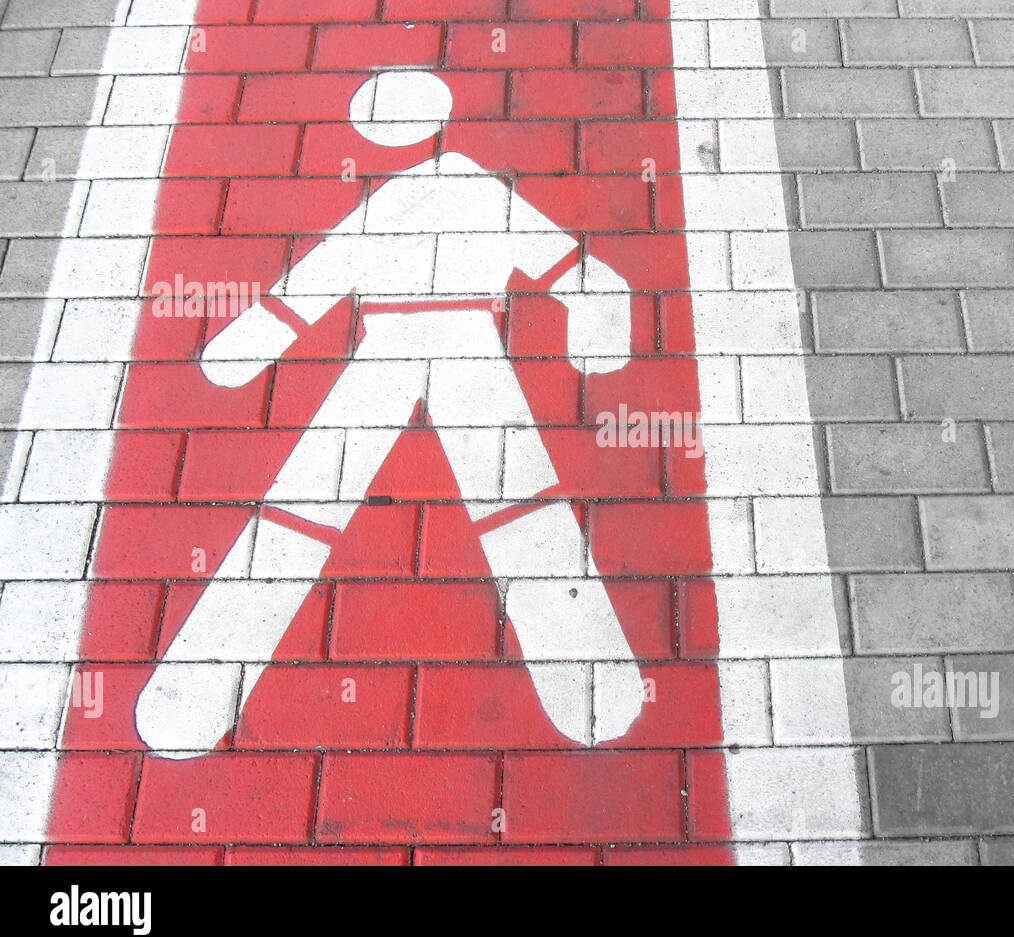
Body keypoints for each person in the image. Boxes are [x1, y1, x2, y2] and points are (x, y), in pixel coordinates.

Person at [135, 71, 644, 755]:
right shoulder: (464, 188)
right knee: (516, 500)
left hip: (414, 349)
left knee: (306, 504)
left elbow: (309, 286)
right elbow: (575, 271)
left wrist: (242, 350)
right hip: (451, 350)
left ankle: (194, 692)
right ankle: (590, 682)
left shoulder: (410, 196)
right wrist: (597, 336)